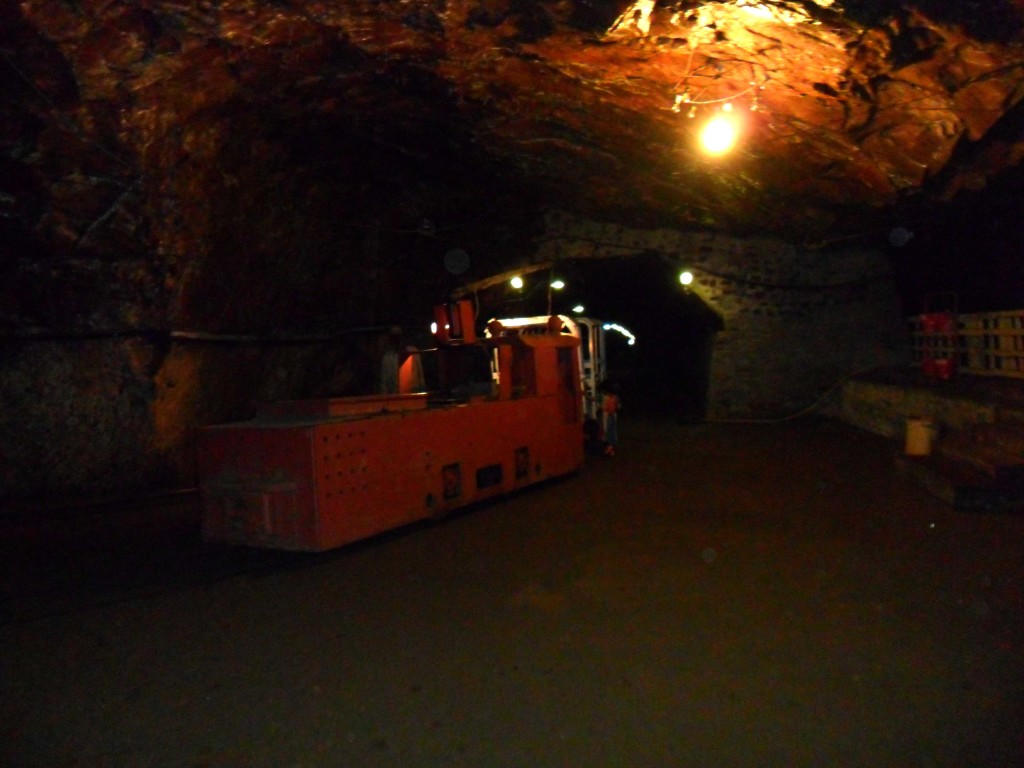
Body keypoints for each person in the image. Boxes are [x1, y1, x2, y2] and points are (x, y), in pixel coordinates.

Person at [600, 381, 621, 457]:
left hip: (608, 415)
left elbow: (605, 408)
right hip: (613, 415)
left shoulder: (607, 398)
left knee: (608, 431)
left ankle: (609, 448)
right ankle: (611, 448)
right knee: (612, 431)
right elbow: (618, 407)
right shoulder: (615, 397)